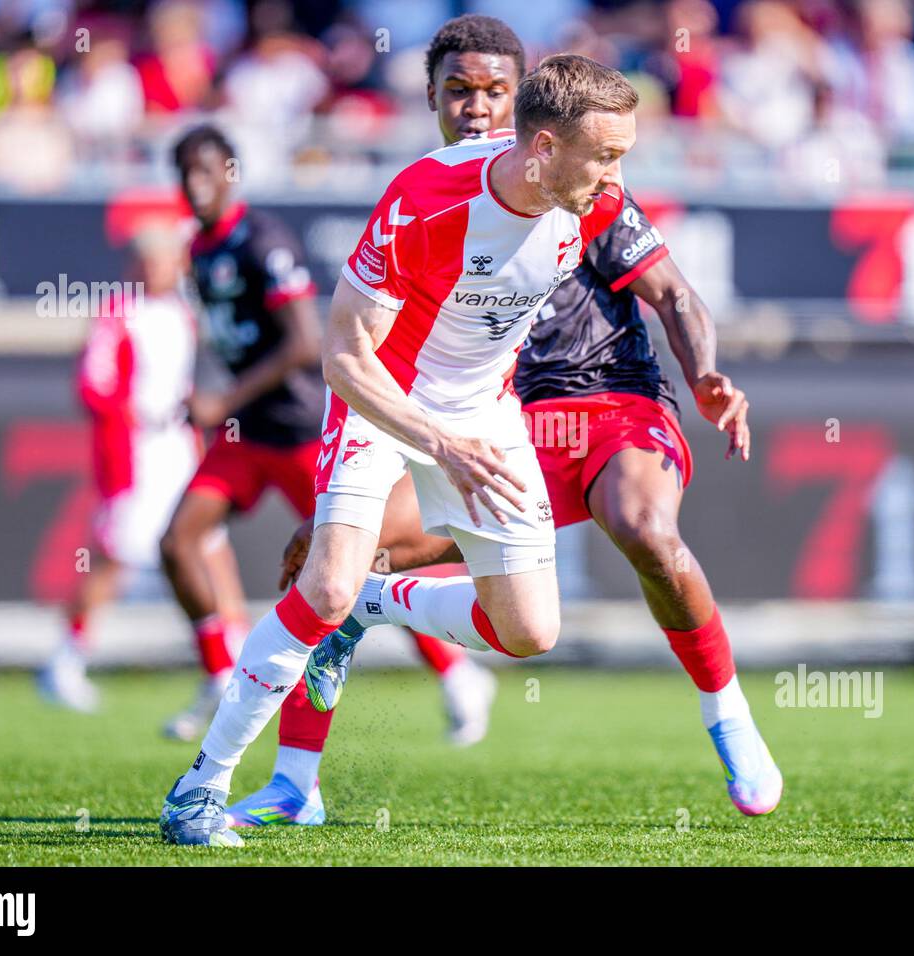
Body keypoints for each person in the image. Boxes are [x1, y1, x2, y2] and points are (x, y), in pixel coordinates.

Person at [291, 14, 781, 821]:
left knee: (644, 527)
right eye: (459, 92)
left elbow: (674, 294)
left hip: (612, 398)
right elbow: (366, 336)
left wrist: (705, 378)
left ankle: (730, 719)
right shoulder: (427, 198)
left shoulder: (581, 184)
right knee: (332, 559)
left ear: (531, 114)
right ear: (432, 100)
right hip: (505, 421)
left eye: (496, 92)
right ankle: (294, 781)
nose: (477, 108)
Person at [159, 52, 641, 846]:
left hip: (484, 413)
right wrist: (435, 439)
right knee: (321, 588)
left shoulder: (595, 200)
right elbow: (343, 356)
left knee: (529, 634)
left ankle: (373, 606)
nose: (618, 176)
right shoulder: (427, 199)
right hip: (381, 399)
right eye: (607, 155)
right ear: (546, 149)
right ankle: (200, 789)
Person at [162, 124, 493, 830]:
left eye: (205, 171)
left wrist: (224, 396)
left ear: (230, 174)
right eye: (182, 173)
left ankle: (456, 673)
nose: (194, 185)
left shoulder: (264, 242)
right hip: (246, 435)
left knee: (344, 578)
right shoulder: (198, 249)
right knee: (178, 541)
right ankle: (224, 674)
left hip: (304, 428)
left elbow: (308, 343)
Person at [39, 226, 247, 713]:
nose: (161, 268)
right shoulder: (117, 312)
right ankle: (66, 659)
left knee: (211, 545)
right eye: (152, 260)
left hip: (179, 446)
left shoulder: (183, 313)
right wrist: (127, 412)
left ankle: (232, 653)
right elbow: (93, 383)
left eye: (168, 259)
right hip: (135, 453)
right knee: (116, 556)